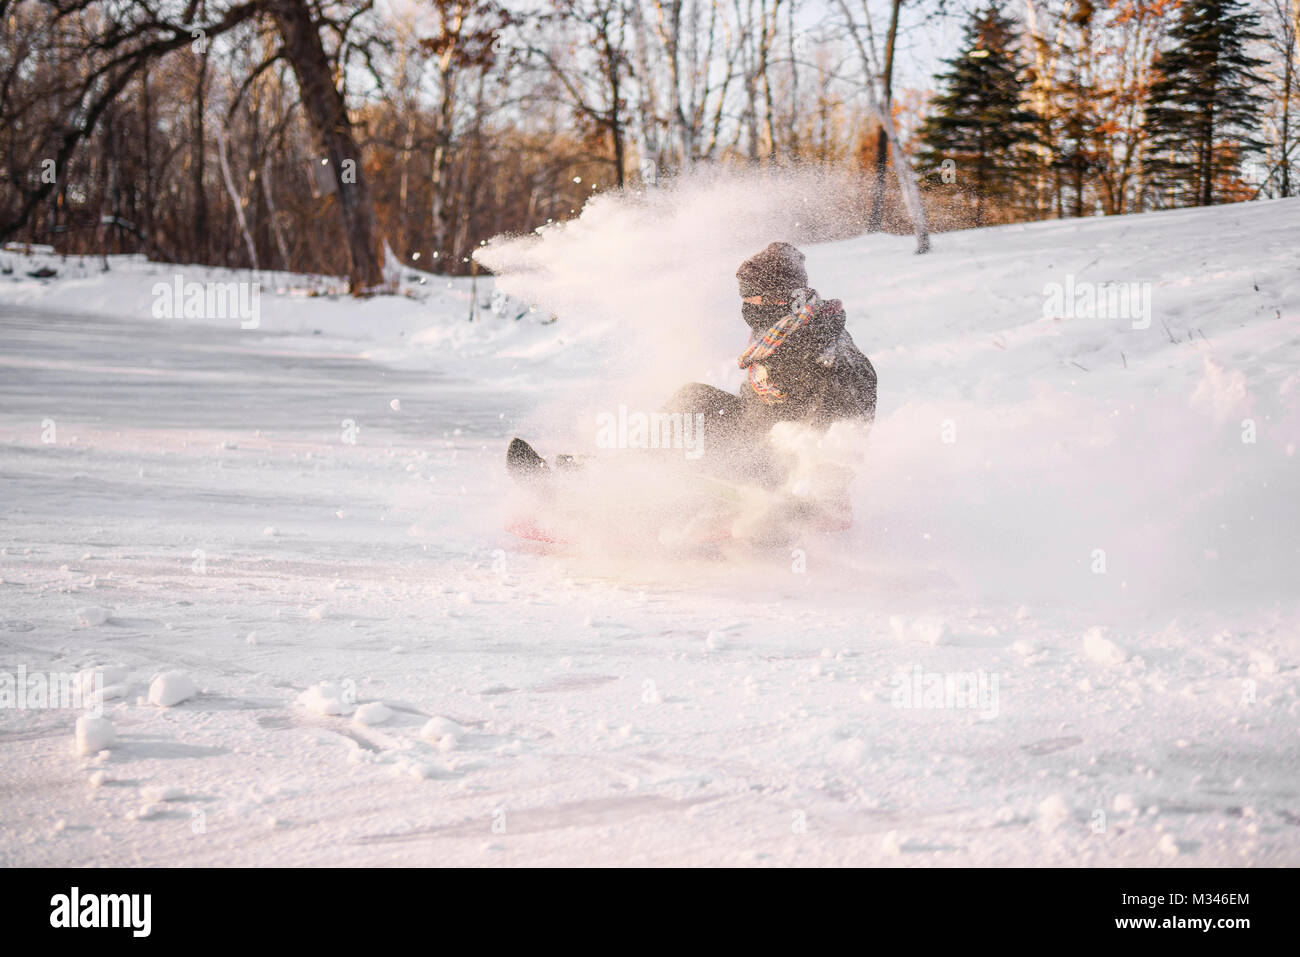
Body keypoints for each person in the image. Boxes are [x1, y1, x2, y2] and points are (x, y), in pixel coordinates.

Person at [661, 241, 877, 488]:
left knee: (691, 453)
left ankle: (681, 496)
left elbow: (832, 446)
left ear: (779, 298)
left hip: (779, 467)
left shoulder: (826, 357)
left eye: (753, 297)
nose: (747, 306)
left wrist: (795, 497)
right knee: (691, 401)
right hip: (753, 431)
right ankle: (636, 470)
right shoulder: (783, 332)